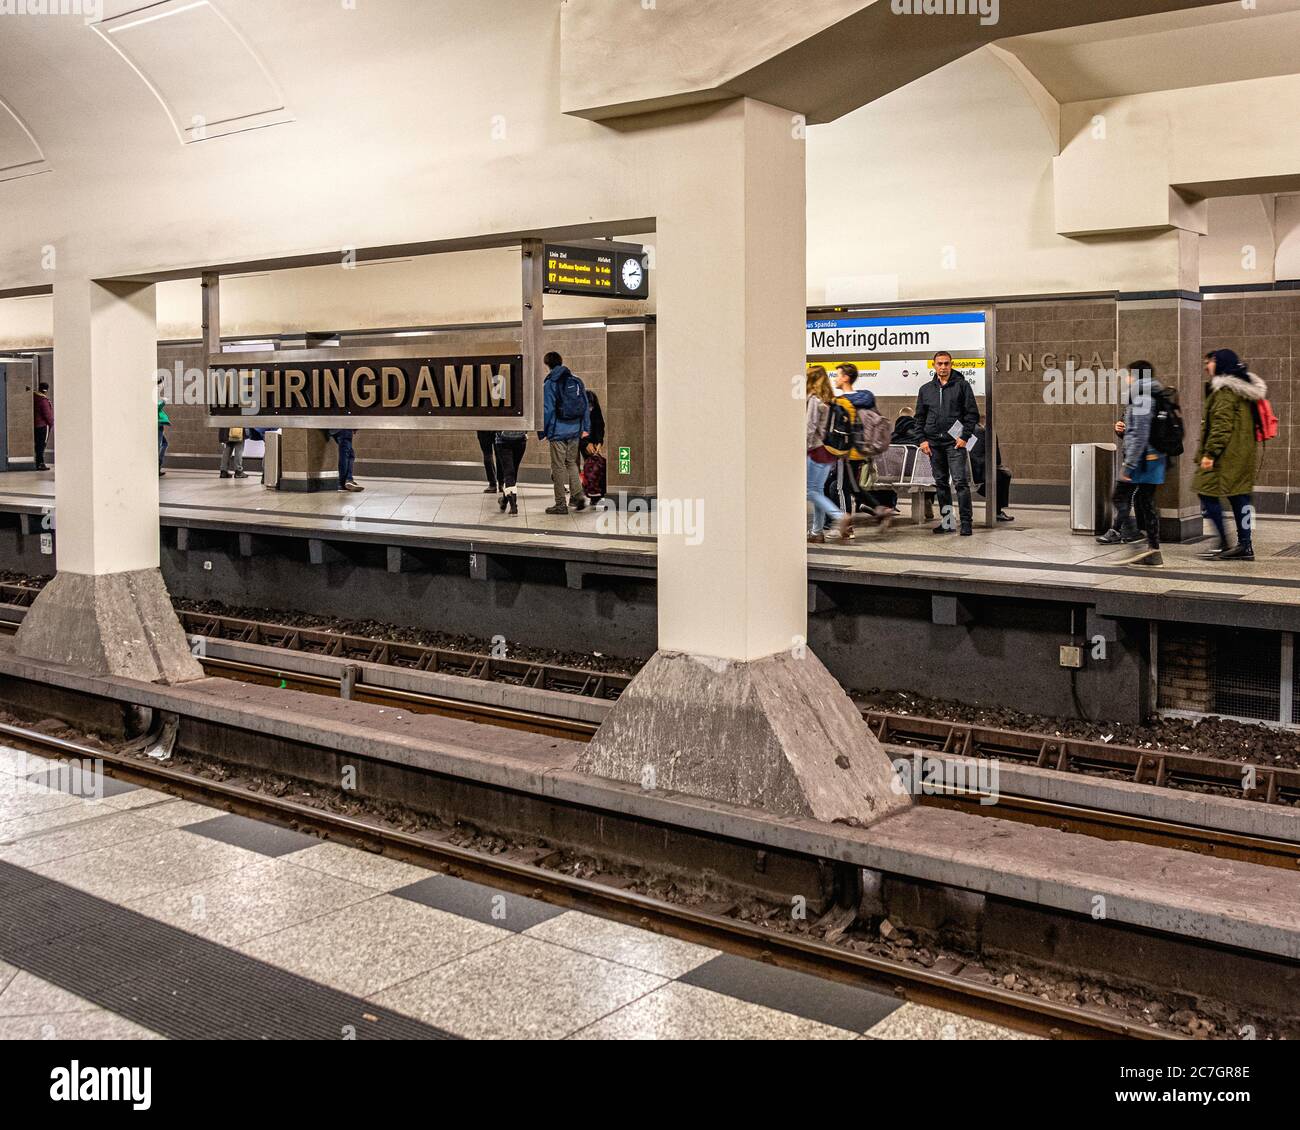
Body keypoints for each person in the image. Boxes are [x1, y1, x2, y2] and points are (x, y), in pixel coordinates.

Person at [1194, 349, 1266, 562]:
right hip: (1241, 453)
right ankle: (1244, 544)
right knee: (1240, 497)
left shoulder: (1226, 391)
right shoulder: (1242, 389)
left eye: (1211, 361)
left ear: (1222, 363)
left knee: (1205, 490)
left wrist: (1210, 453)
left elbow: (1221, 425)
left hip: (1227, 455)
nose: (1207, 366)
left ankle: (1228, 542)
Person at [1095, 362, 1167, 567]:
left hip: (1143, 460)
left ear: (1136, 375)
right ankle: (1153, 553)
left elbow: (1140, 435)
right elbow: (1134, 429)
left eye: (1128, 374)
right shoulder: (1149, 393)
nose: (1125, 378)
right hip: (1152, 458)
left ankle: (1134, 538)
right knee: (1146, 501)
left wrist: (1129, 465)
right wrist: (1121, 430)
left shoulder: (1142, 397)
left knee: (1119, 496)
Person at [915, 351, 980, 536]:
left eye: (946, 363)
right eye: (939, 364)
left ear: (951, 364)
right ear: (933, 365)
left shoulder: (962, 386)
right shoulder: (926, 389)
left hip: (955, 444)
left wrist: (964, 437)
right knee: (941, 484)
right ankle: (948, 522)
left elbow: (971, 414)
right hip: (933, 444)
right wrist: (922, 440)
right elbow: (919, 418)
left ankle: (966, 522)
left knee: (960, 482)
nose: (943, 367)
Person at [538, 351, 591, 515]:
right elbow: (585, 407)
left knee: (558, 467)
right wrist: (585, 428)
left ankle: (560, 504)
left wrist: (542, 431)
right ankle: (578, 496)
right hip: (575, 429)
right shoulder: (576, 381)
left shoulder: (550, 384)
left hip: (558, 431)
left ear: (547, 365)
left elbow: (547, 410)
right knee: (571, 463)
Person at [806, 365, 852, 544]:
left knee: (810, 491)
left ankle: (839, 516)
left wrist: (802, 449)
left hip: (815, 449)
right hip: (829, 451)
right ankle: (816, 532)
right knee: (817, 491)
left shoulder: (814, 400)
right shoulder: (829, 400)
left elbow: (810, 428)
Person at [969, 424, 1013, 522]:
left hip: (963, 473)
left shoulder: (962, 431)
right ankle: (997, 511)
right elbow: (997, 460)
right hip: (981, 476)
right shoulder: (987, 433)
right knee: (1005, 475)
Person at [580, 389, 607, 502]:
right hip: (581, 441)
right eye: (588, 406)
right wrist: (586, 443)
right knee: (583, 465)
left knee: (594, 465)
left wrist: (599, 442)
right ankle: (586, 491)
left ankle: (595, 492)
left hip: (593, 441)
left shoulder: (596, 411)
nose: (590, 408)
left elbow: (599, 425)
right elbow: (579, 428)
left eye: (592, 405)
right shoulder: (579, 412)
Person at [494, 429, 528, 515]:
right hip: (520, 440)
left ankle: (513, 505)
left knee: (509, 473)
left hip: (502, 441)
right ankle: (505, 500)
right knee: (513, 472)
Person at [328, 428, 363, 492]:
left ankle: (347, 480)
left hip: (335, 428)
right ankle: (344, 482)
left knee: (349, 454)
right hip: (343, 428)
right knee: (345, 454)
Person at [33, 382, 52, 471]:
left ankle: (38, 462)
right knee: (42, 444)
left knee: (38, 444)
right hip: (42, 425)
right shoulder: (43, 400)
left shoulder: (34, 397)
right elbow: (47, 414)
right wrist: (51, 423)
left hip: (35, 425)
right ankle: (40, 463)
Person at [157, 381, 170, 476]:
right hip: (158, 424)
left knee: (164, 444)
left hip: (159, 424)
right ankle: (157, 466)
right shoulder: (154, 394)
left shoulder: (156, 394)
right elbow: (156, 408)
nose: (162, 386)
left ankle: (158, 466)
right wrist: (164, 402)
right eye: (161, 384)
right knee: (158, 446)